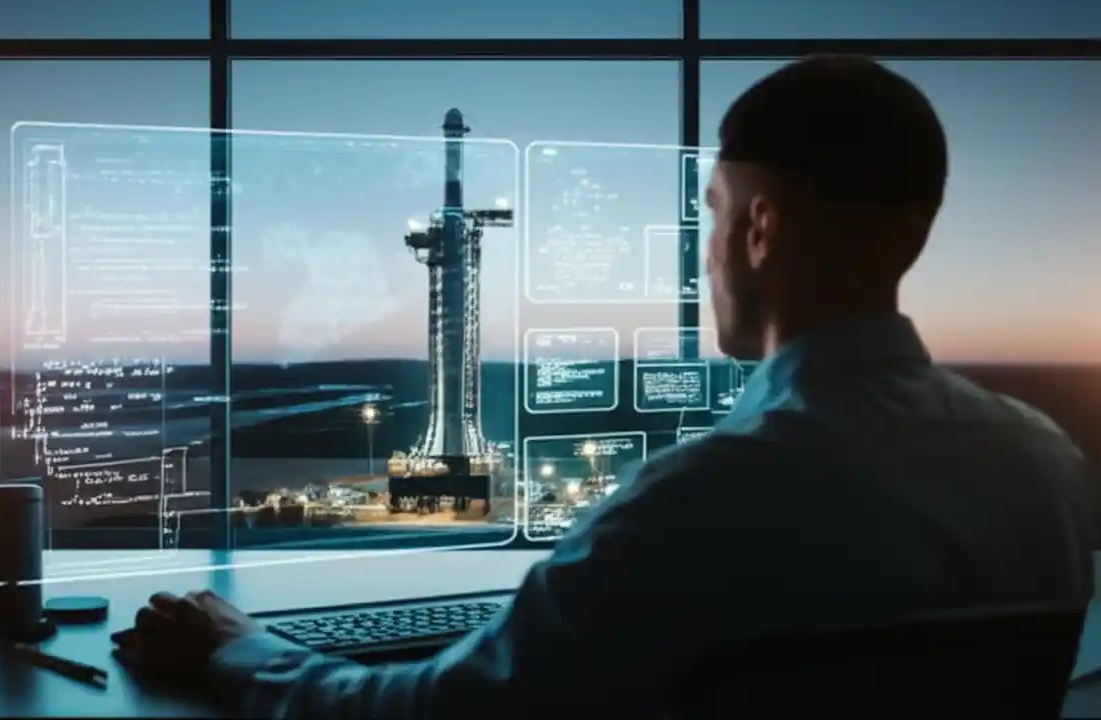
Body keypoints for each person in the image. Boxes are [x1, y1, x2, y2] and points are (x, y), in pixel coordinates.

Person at [112, 55, 1096, 718]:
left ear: (757, 228)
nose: (704, 253)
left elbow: (436, 712)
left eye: (711, 214)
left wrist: (235, 650)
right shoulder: (1045, 469)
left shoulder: (704, 498)